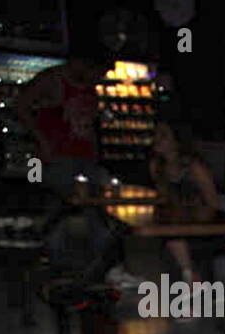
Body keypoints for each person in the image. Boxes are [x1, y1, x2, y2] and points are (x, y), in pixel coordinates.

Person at [14, 54, 136, 287]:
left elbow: (89, 123)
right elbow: (21, 106)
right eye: (99, 72)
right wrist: (42, 142)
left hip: (85, 159)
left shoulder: (90, 86)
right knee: (67, 207)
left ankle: (102, 268)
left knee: (97, 208)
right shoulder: (53, 79)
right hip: (57, 158)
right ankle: (65, 268)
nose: (100, 78)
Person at [148, 120, 221, 283]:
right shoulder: (157, 167)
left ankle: (189, 276)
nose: (157, 139)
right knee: (171, 232)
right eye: (156, 134)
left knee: (174, 234)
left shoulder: (193, 167)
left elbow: (213, 203)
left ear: (176, 140)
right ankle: (189, 276)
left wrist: (194, 212)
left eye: (163, 135)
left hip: (200, 221)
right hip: (177, 221)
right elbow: (163, 199)